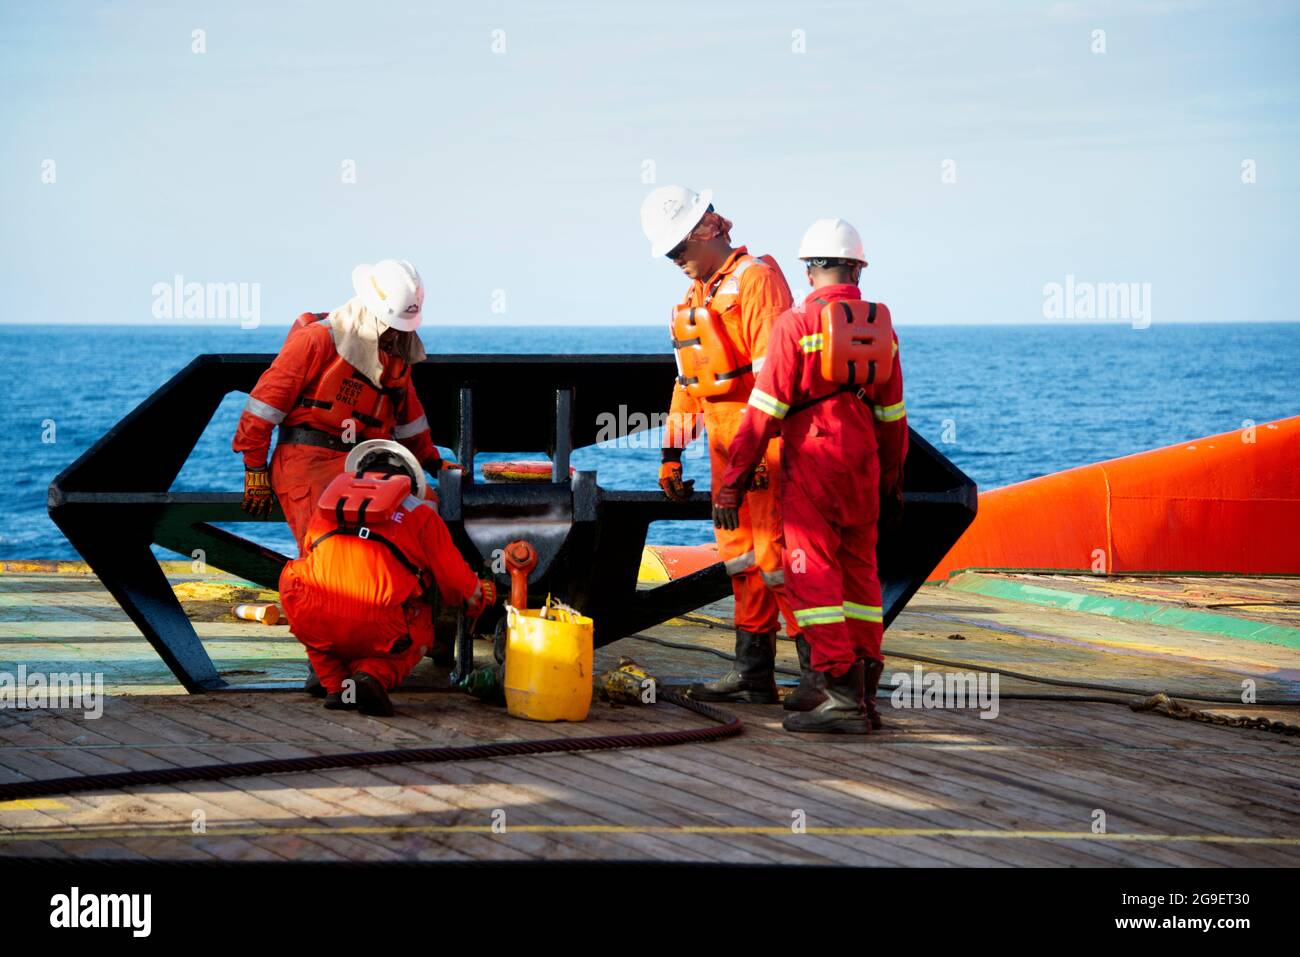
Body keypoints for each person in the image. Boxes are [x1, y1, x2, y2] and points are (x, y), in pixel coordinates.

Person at [714, 218, 907, 733]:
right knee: (861, 576)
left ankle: (837, 689)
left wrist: (732, 480)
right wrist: (891, 479)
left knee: (810, 572)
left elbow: (761, 414)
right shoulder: (881, 330)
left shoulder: (796, 325)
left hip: (814, 465)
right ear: (858, 268)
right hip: (863, 465)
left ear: (808, 269)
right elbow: (894, 418)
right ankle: (863, 691)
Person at [639, 185, 802, 703]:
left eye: (679, 248)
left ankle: (823, 678)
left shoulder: (758, 282)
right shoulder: (694, 300)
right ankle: (753, 673)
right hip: (726, 454)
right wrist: (671, 453)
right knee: (740, 560)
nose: (676, 261)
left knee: (778, 559)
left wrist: (754, 457)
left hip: (764, 451)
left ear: (708, 229)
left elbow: (776, 382)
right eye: (669, 254)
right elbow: (689, 387)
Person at [233, 260, 457, 555]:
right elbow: (263, 406)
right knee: (327, 551)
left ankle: (408, 592)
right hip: (306, 463)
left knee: (421, 508)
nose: (395, 333)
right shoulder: (316, 340)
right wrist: (255, 469)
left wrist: (432, 462)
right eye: (392, 326)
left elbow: (409, 422)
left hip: (366, 462)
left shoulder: (396, 354)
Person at [278, 440, 495, 716]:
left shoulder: (325, 508)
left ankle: (337, 687)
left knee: (309, 605)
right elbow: (456, 581)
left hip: (318, 622)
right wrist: (479, 596)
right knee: (420, 630)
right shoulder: (421, 515)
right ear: (408, 481)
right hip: (380, 624)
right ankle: (373, 676)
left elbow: (310, 556)